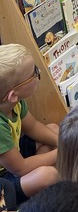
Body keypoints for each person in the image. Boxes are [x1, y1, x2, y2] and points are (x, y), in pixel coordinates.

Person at [0, 43, 59, 202]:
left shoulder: (15, 102)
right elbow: (20, 168)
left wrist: (62, 142)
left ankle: (39, 189)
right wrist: (62, 152)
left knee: (54, 130)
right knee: (48, 175)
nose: (38, 73)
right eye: (34, 73)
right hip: (4, 181)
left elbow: (33, 127)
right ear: (12, 95)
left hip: (13, 159)